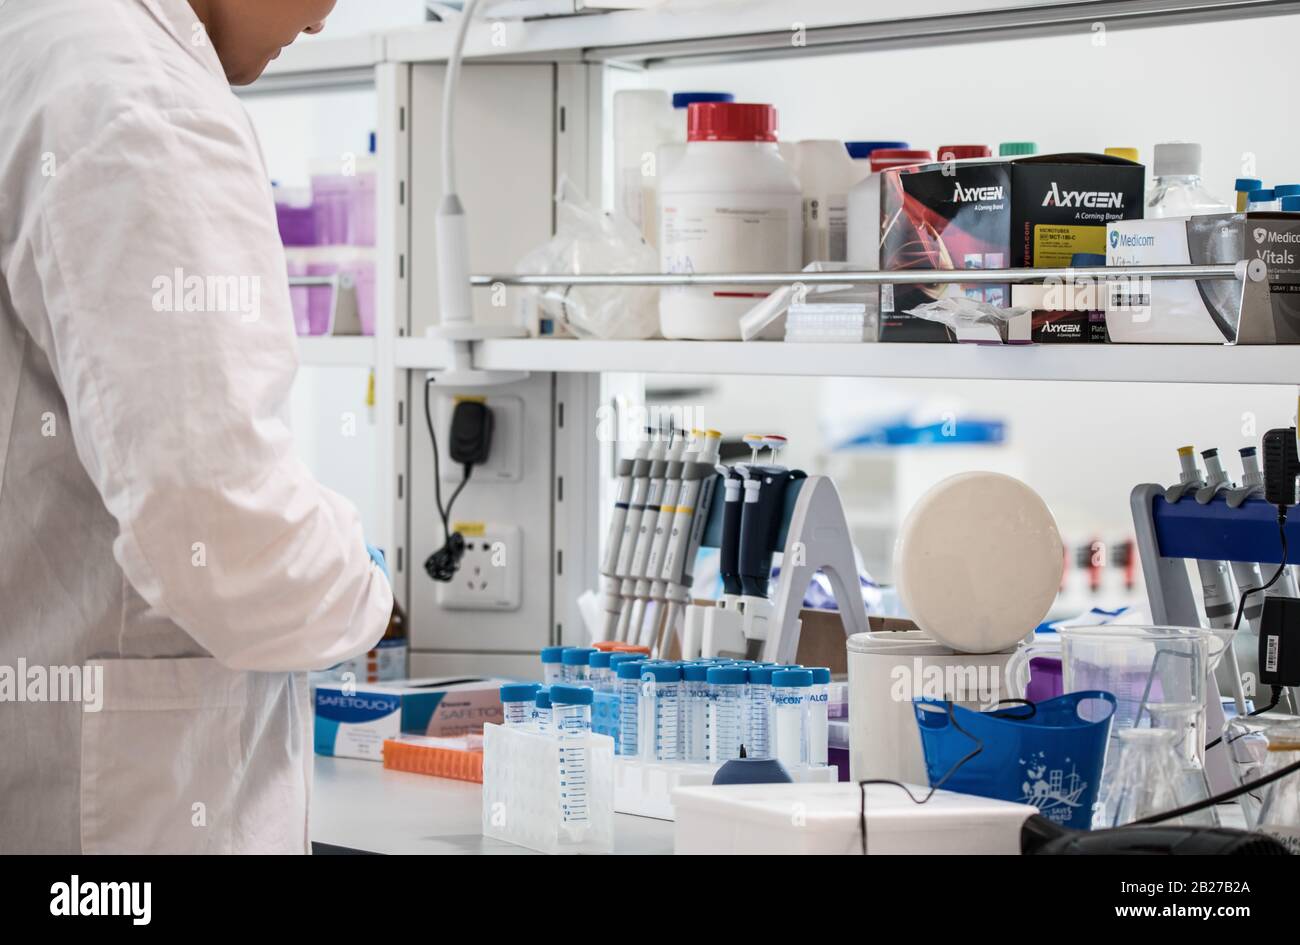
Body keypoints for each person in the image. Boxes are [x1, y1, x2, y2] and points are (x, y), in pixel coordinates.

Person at [0, 0, 394, 853]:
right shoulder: (138, 99)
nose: (326, 20)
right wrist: (368, 588)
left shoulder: (34, 38)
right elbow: (222, 532)